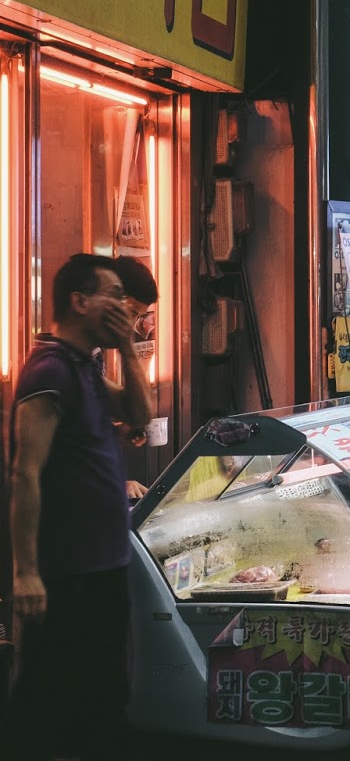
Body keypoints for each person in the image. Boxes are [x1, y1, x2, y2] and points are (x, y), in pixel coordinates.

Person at [8, 254, 155, 760]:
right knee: (50, 698)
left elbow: (139, 413)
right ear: (79, 300)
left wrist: (129, 348)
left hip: (103, 563)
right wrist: (26, 572)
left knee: (103, 694)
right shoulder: (49, 370)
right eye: (113, 295)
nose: (122, 305)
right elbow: (25, 473)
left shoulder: (86, 365)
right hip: (66, 568)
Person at [111, 256, 159, 498]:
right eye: (128, 312)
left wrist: (117, 432)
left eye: (136, 317)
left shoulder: (86, 362)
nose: (130, 324)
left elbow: (138, 413)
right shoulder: (57, 365)